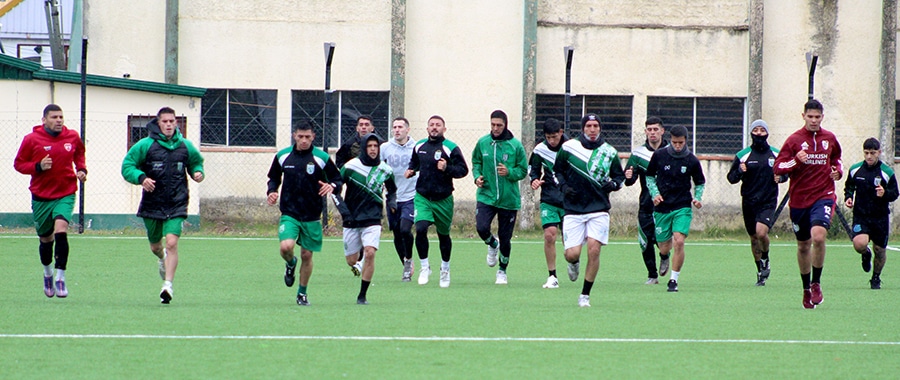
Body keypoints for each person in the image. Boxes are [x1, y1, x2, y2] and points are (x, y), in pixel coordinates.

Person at [122, 107, 204, 304]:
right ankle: (161, 258)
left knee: (172, 243)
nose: (169, 124)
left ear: (176, 123)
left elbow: (196, 162)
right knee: (155, 246)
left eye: (172, 121)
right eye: (165, 121)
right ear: (159, 124)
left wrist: (197, 172)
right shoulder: (145, 145)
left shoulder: (185, 145)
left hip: (177, 202)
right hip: (152, 203)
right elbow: (127, 166)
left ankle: (167, 285)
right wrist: (141, 178)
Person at [774, 99, 843, 309]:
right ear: (803, 116)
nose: (814, 120)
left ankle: (816, 283)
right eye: (810, 116)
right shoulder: (794, 140)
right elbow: (778, 167)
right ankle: (805, 289)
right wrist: (796, 160)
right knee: (803, 245)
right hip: (799, 200)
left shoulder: (829, 138)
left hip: (823, 195)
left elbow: (837, 159)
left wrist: (837, 171)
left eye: (817, 117)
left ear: (822, 117)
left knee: (819, 237)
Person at [14, 104, 87, 299]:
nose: (59, 120)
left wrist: (81, 169)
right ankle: (48, 274)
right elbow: (19, 164)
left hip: (66, 192)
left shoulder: (72, 137)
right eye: (54, 117)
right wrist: (37, 166)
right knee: (46, 239)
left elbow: (79, 153)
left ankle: (61, 277)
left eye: (61, 117)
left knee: (61, 230)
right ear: (44, 120)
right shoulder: (31, 140)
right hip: (41, 196)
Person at [267, 120, 342, 306]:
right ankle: (290, 264)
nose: (303, 141)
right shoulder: (283, 156)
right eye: (300, 137)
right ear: (294, 136)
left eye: (307, 137)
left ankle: (302, 293)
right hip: (290, 213)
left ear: (313, 137)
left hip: (312, 215)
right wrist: (272, 191)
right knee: (285, 247)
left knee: (307, 255)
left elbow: (337, 178)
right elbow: (273, 178)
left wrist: (331, 186)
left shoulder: (321, 157)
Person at [553, 114, 625, 307]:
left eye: (595, 126)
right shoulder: (568, 148)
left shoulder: (609, 151)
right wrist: (564, 187)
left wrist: (613, 184)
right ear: (583, 128)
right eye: (589, 126)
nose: (592, 129)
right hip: (573, 209)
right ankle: (573, 263)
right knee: (572, 253)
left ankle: (585, 295)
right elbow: (556, 171)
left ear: (600, 128)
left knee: (594, 250)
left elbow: (619, 177)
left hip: (599, 209)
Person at [405, 115, 469, 288]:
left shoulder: (450, 148)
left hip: (444, 199)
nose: (434, 127)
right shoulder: (419, 146)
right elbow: (415, 162)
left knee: (443, 236)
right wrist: (411, 170)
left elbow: (463, 170)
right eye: (431, 125)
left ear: (444, 129)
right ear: (427, 129)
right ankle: (424, 267)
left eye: (438, 125)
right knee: (420, 228)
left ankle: (445, 269)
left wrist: (447, 168)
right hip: (423, 197)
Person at [645, 125, 705, 293]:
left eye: (681, 142)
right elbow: (649, 176)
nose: (678, 146)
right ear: (670, 140)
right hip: (662, 207)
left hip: (682, 206)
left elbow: (700, 182)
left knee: (679, 240)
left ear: (686, 141)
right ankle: (664, 256)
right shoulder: (660, 155)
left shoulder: (692, 160)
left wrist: (698, 198)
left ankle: (673, 280)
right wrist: (655, 194)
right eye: (674, 142)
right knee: (664, 246)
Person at [726, 119, 786, 286]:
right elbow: (731, 178)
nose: (759, 133)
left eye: (762, 130)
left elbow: (786, 173)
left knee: (761, 233)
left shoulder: (776, 154)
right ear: (751, 133)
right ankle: (760, 271)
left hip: (768, 200)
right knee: (753, 238)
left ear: (767, 133)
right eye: (756, 130)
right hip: (749, 201)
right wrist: (739, 170)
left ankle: (766, 258)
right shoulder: (742, 155)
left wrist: (781, 177)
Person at [339, 133, 397, 304]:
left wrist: (392, 203)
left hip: (373, 218)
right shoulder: (350, 167)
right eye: (369, 146)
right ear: (364, 148)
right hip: (351, 219)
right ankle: (357, 260)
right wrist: (343, 211)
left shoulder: (385, 169)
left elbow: (392, 190)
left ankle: (362, 295)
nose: (373, 149)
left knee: (370, 253)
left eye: (376, 146)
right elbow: (335, 188)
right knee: (351, 260)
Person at [472, 110, 528, 284]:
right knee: (481, 228)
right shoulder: (483, 143)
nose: (495, 128)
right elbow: (476, 162)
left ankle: (502, 271)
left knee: (506, 238)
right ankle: (492, 244)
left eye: (499, 125)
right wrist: (477, 176)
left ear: (505, 125)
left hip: (508, 199)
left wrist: (509, 172)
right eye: (493, 125)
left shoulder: (515, 146)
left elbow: (523, 170)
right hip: (486, 196)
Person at [843, 137, 898, 290]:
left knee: (880, 250)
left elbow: (895, 193)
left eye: (872, 153)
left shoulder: (886, 172)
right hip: (861, 215)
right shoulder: (855, 169)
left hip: (880, 218)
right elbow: (849, 186)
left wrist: (884, 194)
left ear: (879, 152)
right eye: (866, 153)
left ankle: (876, 278)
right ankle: (865, 253)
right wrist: (848, 197)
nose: (869, 156)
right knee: (859, 244)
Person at [624, 116, 669, 285]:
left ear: (662, 131)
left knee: (661, 239)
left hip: (666, 205)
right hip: (646, 204)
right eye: (649, 130)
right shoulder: (638, 153)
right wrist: (628, 176)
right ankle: (652, 275)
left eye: (655, 129)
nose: (652, 133)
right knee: (645, 241)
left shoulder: (670, 151)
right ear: (645, 132)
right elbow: (629, 179)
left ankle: (664, 256)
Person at [529, 118, 569, 289]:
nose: (551, 140)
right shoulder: (540, 149)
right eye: (548, 137)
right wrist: (534, 180)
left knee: (570, 245)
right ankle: (552, 276)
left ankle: (573, 261)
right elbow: (533, 170)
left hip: (569, 199)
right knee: (549, 235)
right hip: (549, 198)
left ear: (561, 132)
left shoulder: (572, 148)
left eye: (554, 136)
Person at [381, 117, 419, 282]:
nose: (397, 130)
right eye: (394, 127)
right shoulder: (385, 148)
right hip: (393, 197)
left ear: (407, 130)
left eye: (400, 127)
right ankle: (405, 265)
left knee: (405, 229)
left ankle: (409, 260)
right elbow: (379, 169)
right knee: (396, 232)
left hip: (411, 195)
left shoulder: (416, 147)